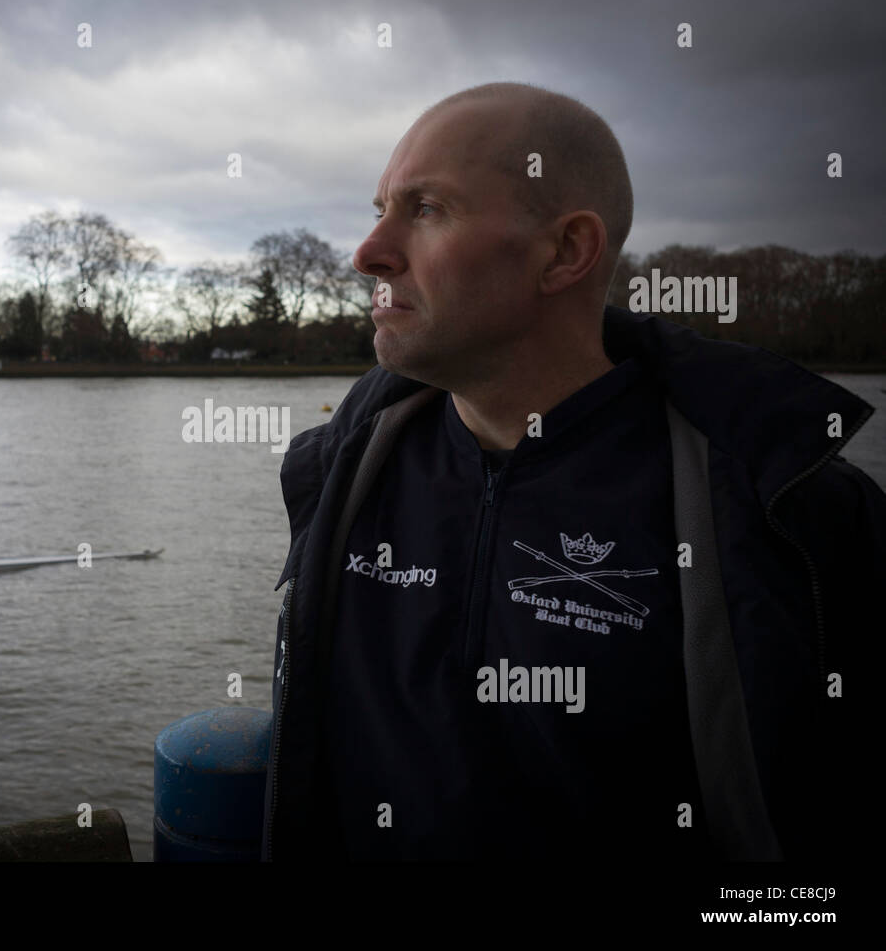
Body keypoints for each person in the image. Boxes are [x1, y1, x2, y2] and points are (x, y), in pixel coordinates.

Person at [262, 82, 883, 862]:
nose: (367, 254)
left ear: (566, 251)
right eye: (379, 208)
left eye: (426, 209)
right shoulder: (347, 468)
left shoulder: (790, 512)